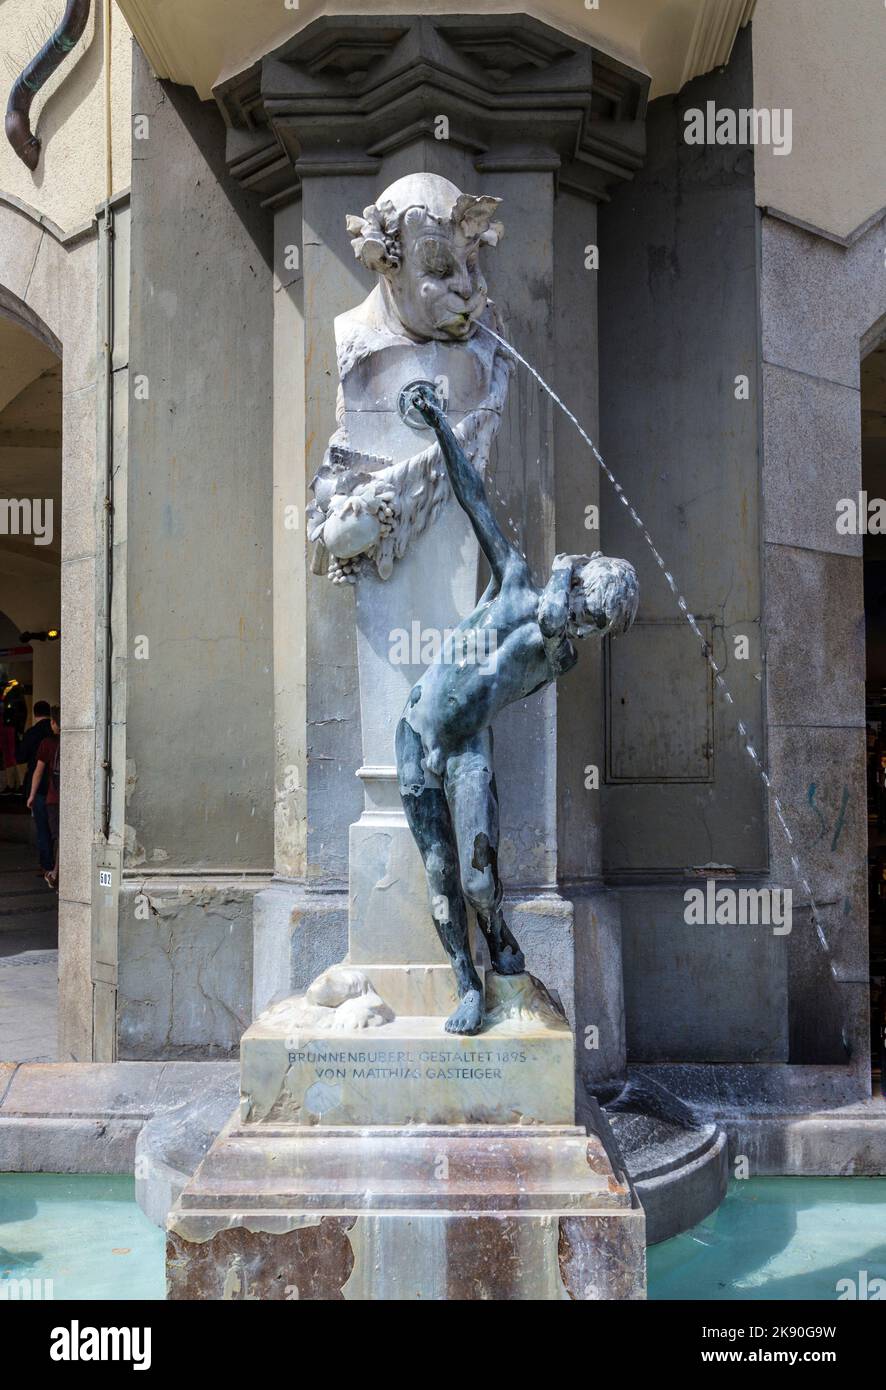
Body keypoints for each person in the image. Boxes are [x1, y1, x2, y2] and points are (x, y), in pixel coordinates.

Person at [396, 384, 639, 1034]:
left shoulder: (556, 655)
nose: (583, 628)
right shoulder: (512, 578)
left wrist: (561, 615)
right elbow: (472, 494)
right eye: (589, 611)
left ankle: (500, 937)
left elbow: (528, 651)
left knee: (477, 883)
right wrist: (442, 424)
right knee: (440, 873)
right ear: (579, 587)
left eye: (593, 626)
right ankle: (466, 983)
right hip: (417, 734)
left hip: (468, 747)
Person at [18, 700, 54, 873]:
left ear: (34, 713)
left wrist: (30, 794)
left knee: (42, 828)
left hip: (40, 789)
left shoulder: (32, 733)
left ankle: (46, 865)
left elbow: (23, 758)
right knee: (56, 829)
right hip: (56, 788)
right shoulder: (57, 733)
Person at [27, 705, 60, 890]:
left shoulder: (47, 743)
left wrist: (31, 795)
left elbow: (38, 772)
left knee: (51, 835)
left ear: (54, 723)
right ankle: (55, 871)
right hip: (61, 798)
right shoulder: (69, 742)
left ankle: (54, 871)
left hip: (52, 798)